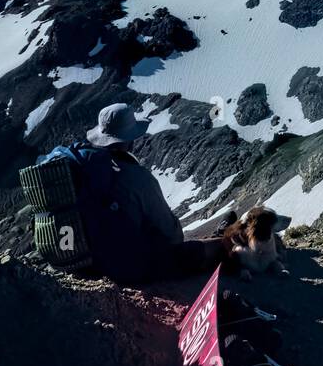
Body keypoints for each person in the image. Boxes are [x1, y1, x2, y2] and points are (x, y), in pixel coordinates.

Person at [67, 103, 229, 284]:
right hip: (125, 268)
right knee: (215, 247)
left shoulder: (80, 168)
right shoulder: (136, 177)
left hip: (82, 262)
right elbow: (172, 235)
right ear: (129, 139)